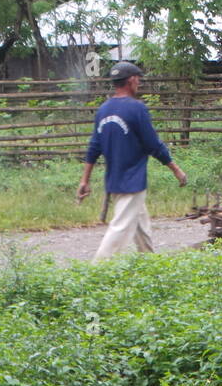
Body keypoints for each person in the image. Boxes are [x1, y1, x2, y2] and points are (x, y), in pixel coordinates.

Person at [77, 61, 187, 261]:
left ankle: (150, 263)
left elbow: (94, 147)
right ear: (131, 80)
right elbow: (153, 144)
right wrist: (176, 169)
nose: (139, 83)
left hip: (115, 179)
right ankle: (95, 270)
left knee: (140, 223)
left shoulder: (103, 110)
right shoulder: (136, 109)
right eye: (138, 79)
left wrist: (85, 180)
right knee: (120, 227)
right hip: (133, 180)